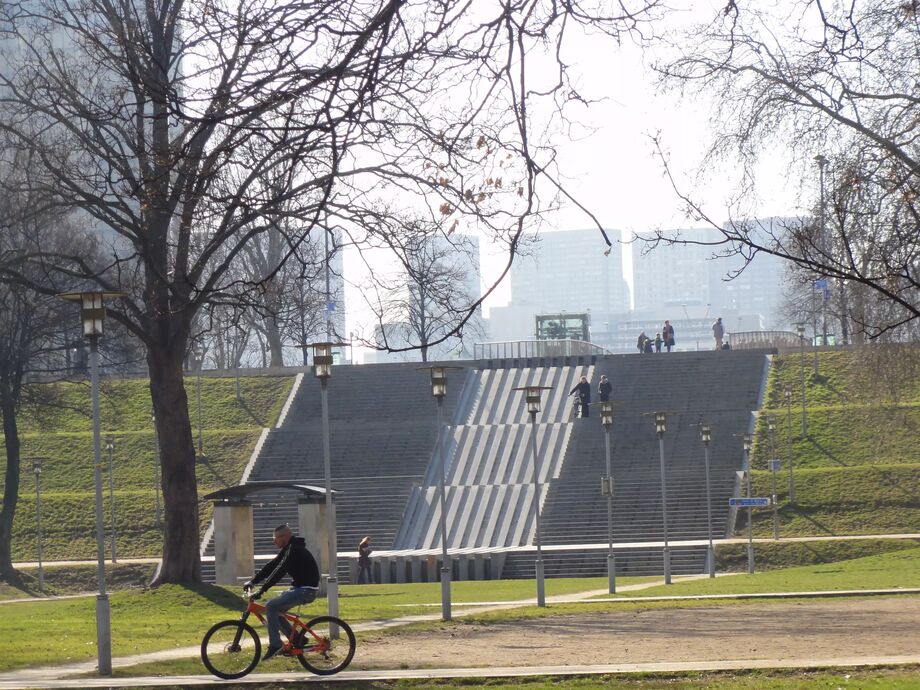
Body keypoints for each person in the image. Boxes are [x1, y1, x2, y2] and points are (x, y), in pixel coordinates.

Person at [243, 523, 320, 661]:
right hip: (301, 588)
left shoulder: (294, 549)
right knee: (275, 610)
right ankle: (297, 639)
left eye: (276, 538)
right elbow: (271, 566)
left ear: (284, 537)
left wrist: (262, 589)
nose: (274, 541)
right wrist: (253, 581)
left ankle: (275, 645)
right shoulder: (288, 548)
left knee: (271, 606)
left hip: (306, 590)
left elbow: (280, 571)